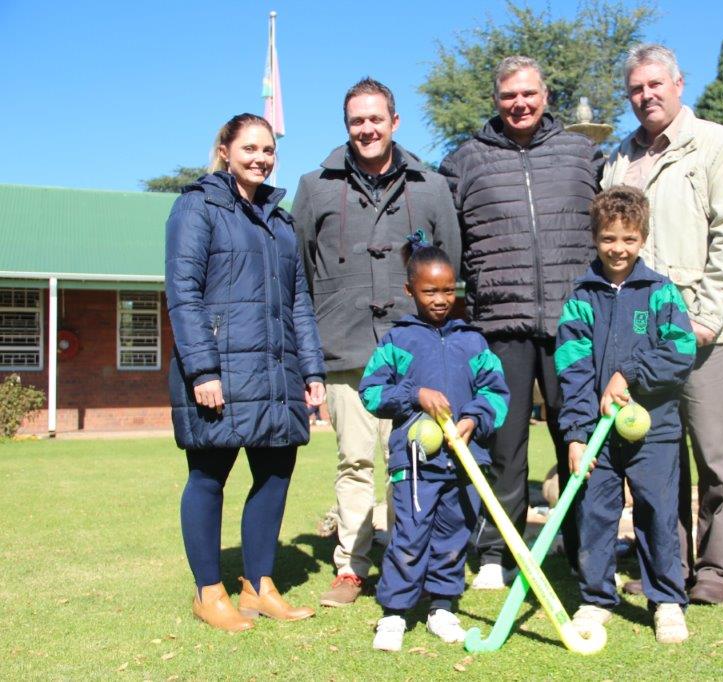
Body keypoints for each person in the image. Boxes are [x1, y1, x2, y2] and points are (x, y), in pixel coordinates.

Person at [292, 78, 462, 606]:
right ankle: (351, 567)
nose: (366, 129)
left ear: (394, 122)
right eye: (356, 121)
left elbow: (453, 270)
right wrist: (308, 358)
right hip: (344, 349)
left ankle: (415, 562)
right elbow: (297, 272)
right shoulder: (315, 186)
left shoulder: (431, 187)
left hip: (416, 352)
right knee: (355, 462)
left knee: (416, 461)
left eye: (375, 119)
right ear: (347, 126)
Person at [603, 44, 723, 605]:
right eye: (635, 89)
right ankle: (666, 572)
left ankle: (715, 573)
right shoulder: (619, 160)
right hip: (646, 337)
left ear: (678, 83)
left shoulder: (717, 147)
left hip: (703, 333)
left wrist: (707, 318)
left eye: (654, 84)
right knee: (659, 461)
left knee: (716, 458)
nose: (645, 95)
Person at [439, 56, 601, 587]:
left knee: (575, 442)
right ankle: (497, 555)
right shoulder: (466, 161)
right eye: (509, 95)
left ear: (546, 95)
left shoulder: (582, 155)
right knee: (504, 449)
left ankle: (584, 557)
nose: (520, 103)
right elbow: (444, 245)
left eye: (529, 93)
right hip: (499, 328)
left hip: (571, 326)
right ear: (496, 100)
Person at [165, 113, 326, 632]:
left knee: (276, 474)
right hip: (219, 372)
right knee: (209, 476)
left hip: (277, 374)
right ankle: (209, 592)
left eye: (269, 150)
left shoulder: (282, 222)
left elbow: (300, 301)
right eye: (251, 148)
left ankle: (259, 587)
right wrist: (202, 370)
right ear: (225, 149)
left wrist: (312, 369)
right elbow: (183, 294)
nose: (261, 158)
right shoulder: (197, 207)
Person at [556, 186, 696, 644]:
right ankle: (596, 600)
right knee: (594, 514)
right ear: (595, 238)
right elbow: (572, 369)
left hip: (654, 430)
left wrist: (628, 375)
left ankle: (667, 601)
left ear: (643, 239)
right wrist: (576, 434)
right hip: (598, 435)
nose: (619, 249)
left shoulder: (660, 291)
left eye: (629, 239)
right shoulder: (581, 296)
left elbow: (681, 351)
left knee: (657, 513)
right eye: (609, 239)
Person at [359, 236, 510, 651]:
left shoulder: (472, 341)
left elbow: (497, 393)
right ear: (410, 291)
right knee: (409, 537)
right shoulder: (397, 341)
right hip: (414, 464)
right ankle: (393, 613)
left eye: (447, 290)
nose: (441, 299)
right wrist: (414, 394)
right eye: (430, 291)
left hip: (464, 461)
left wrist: (474, 417)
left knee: (453, 536)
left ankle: (442, 607)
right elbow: (371, 393)